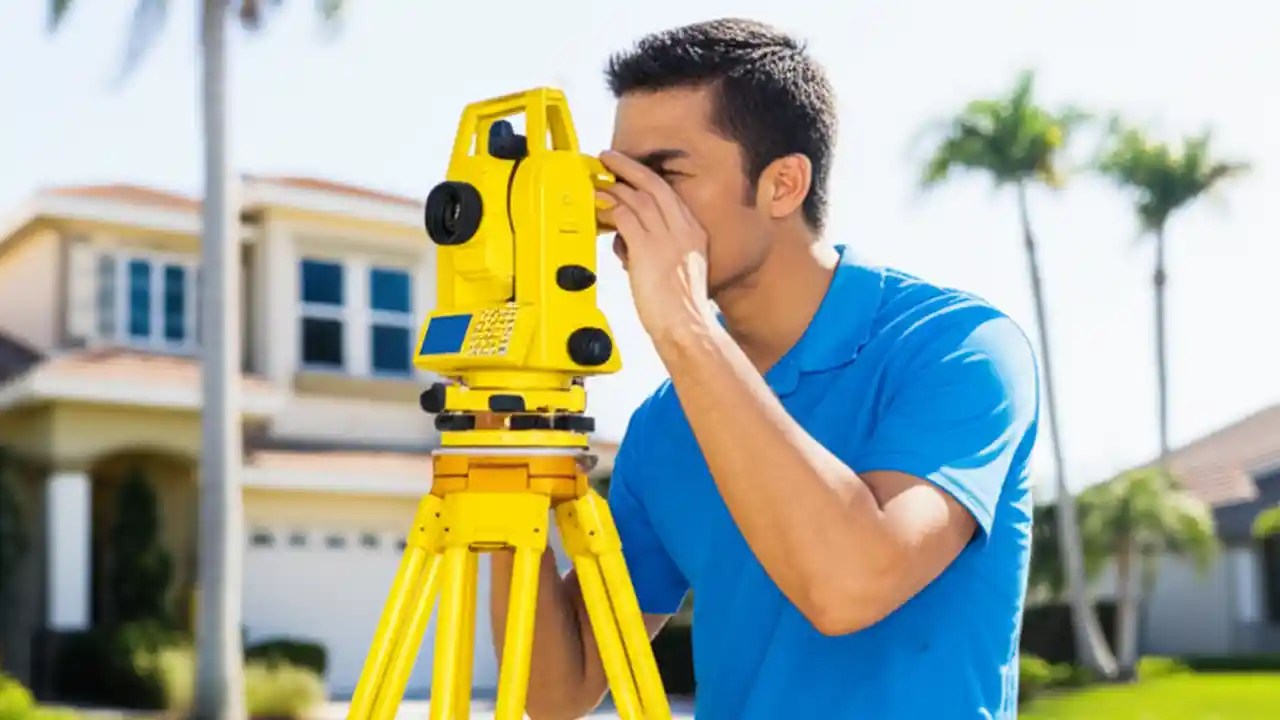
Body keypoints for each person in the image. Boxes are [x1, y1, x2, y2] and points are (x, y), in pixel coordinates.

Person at [490, 17, 1038, 719]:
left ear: (783, 185)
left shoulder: (958, 349)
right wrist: (506, 449)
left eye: (661, 176)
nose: (622, 210)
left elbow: (849, 586)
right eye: (614, 179)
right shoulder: (667, 423)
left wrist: (684, 327)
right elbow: (553, 695)